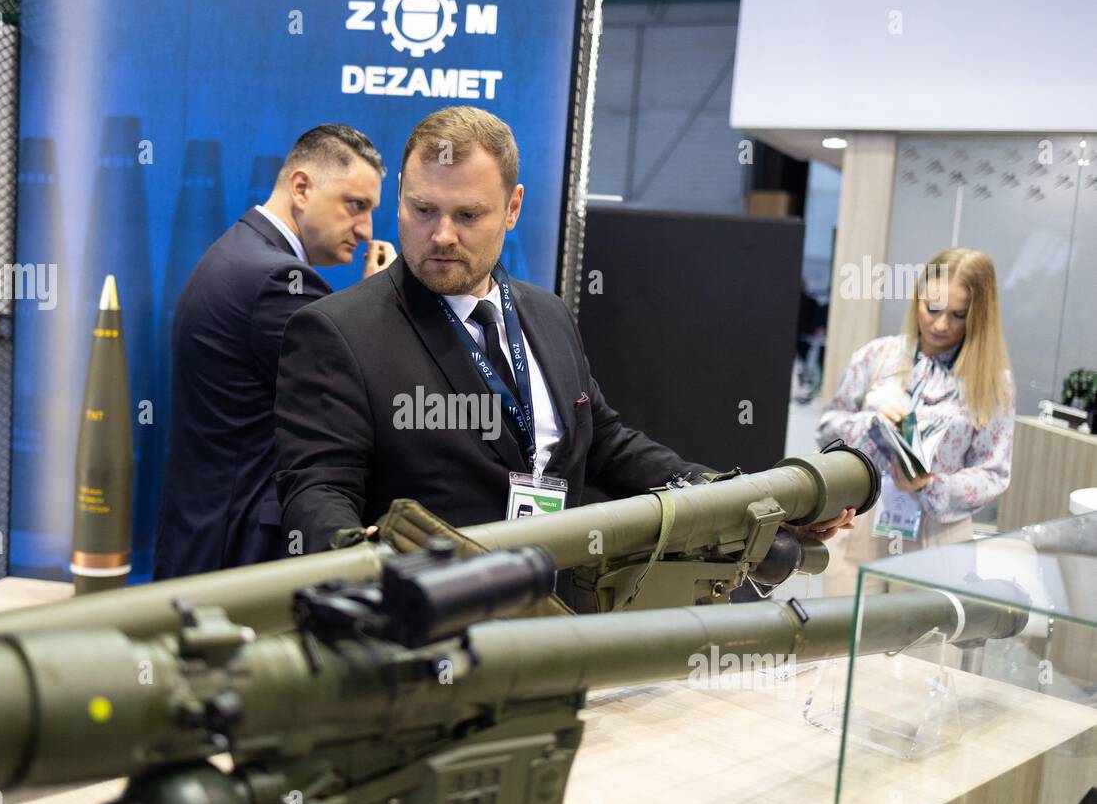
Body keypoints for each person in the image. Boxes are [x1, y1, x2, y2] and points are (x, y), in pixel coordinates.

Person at [275, 106, 851, 568]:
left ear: (513, 208)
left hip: (564, 607)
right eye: (423, 209)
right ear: (400, 194)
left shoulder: (546, 315)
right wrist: (357, 562)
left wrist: (741, 500)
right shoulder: (338, 333)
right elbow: (317, 491)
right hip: (433, 631)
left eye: (468, 215)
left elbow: (605, 443)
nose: (442, 235)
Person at [153, 125, 395, 578]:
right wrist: (385, 298)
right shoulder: (277, 281)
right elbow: (359, 394)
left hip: (208, 536)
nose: (366, 230)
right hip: (237, 551)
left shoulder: (242, 253)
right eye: (355, 205)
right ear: (301, 188)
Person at [816, 247, 1015, 595]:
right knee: (845, 640)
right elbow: (827, 429)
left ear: (979, 316)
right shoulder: (875, 357)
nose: (940, 324)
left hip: (939, 539)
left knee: (923, 647)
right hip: (861, 523)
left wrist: (930, 484)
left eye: (958, 315)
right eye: (932, 308)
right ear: (917, 299)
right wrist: (869, 423)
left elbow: (994, 472)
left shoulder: (993, 382)